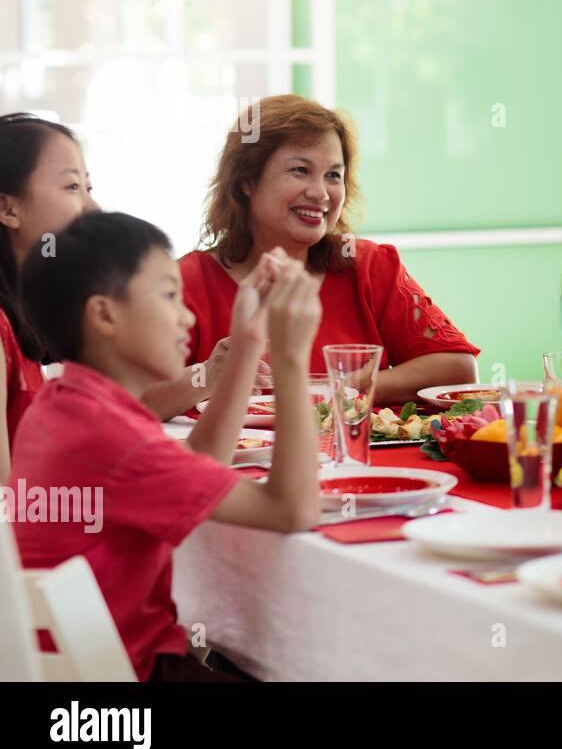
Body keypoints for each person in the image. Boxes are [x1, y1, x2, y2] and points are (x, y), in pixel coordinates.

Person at [10, 211, 323, 681]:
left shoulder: (65, 404)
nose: (188, 316)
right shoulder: (111, 436)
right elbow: (292, 511)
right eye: (169, 295)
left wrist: (248, 342)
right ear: (104, 314)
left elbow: (198, 466)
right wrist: (292, 360)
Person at [143, 95, 478, 419]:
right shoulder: (186, 281)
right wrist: (204, 376)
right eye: (300, 170)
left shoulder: (369, 267)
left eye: (333, 175)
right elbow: (125, 405)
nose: (320, 193)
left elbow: (459, 369)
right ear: (247, 180)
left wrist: (345, 387)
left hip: (364, 467)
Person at [0, 114, 100, 480]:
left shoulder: (34, 309)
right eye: (72, 187)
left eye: (89, 188)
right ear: (7, 208)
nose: (94, 208)